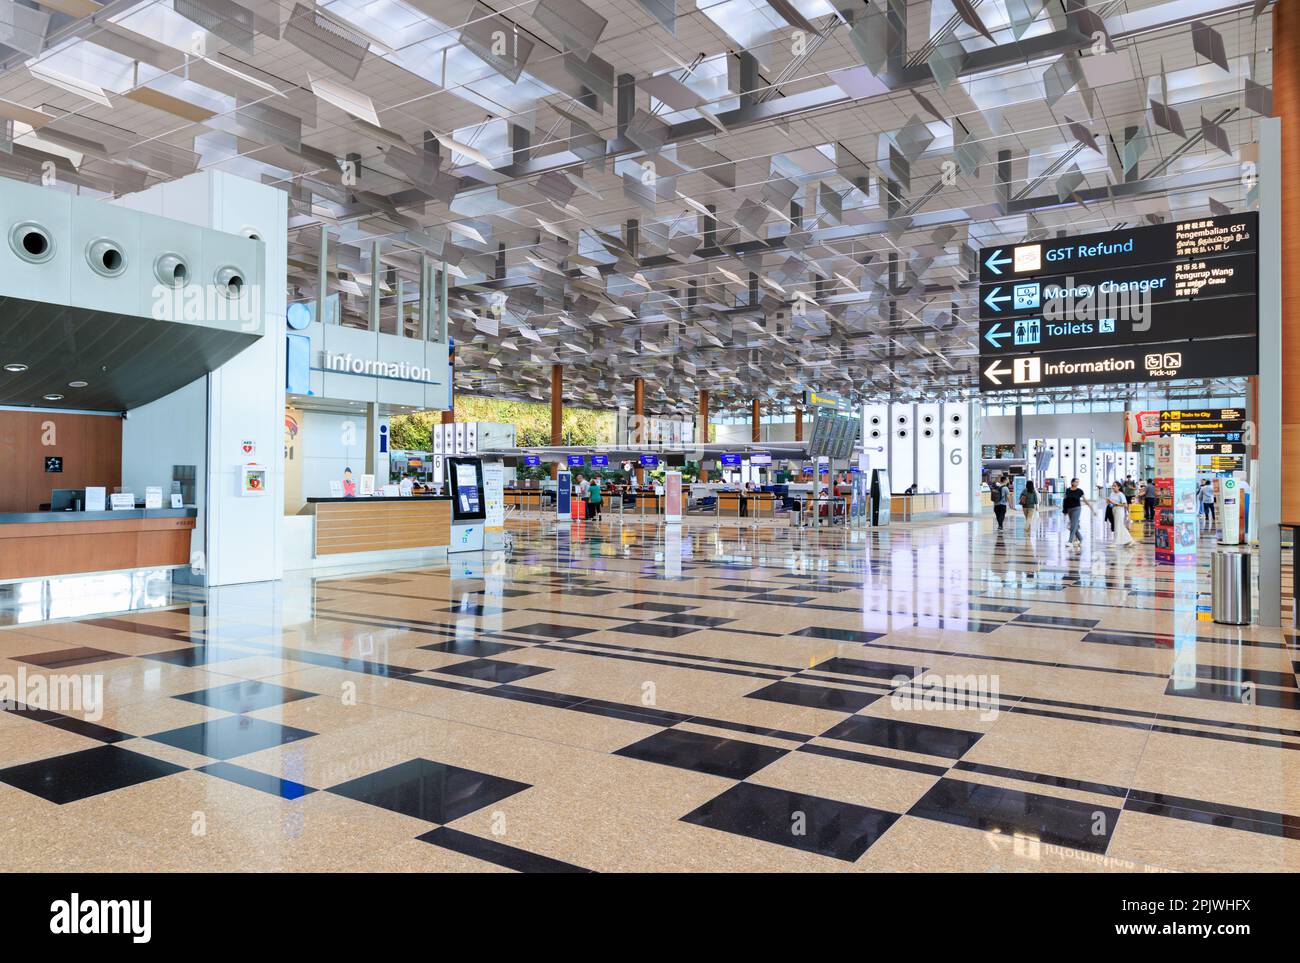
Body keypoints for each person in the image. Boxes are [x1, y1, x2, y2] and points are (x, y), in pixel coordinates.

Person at [1061, 477, 1091, 550]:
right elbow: (1065, 500)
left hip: (1077, 509)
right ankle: (1081, 539)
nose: (1077, 483)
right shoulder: (1067, 490)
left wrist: (1090, 506)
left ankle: (1070, 541)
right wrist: (1064, 510)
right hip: (1069, 509)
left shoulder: (1080, 491)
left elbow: (1085, 500)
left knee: (1073, 525)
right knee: (1073, 526)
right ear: (1072, 483)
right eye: (1076, 482)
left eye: (1078, 482)